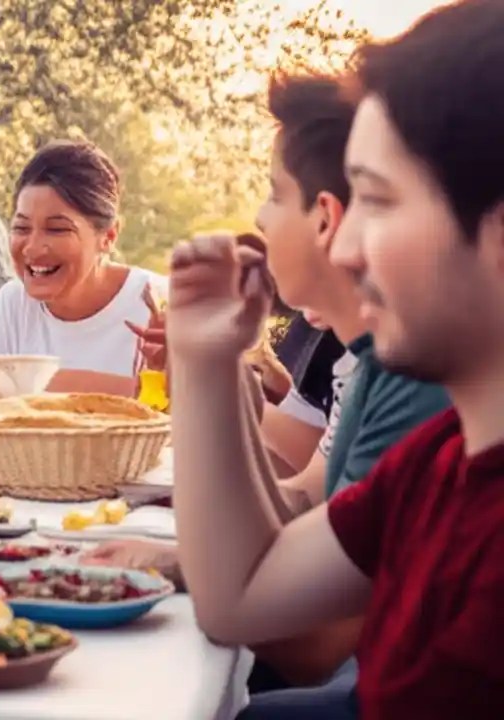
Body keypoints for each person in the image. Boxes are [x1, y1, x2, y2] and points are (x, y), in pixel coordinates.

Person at [169, 2, 504, 716]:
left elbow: (301, 637)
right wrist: (205, 359)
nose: (346, 250)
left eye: (378, 202)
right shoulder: (438, 462)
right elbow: (242, 600)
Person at [88, 71, 449, 709]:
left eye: (273, 193)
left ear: (327, 219)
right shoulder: (372, 365)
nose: (256, 218)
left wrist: (209, 369)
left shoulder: (416, 381)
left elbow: (303, 641)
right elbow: (300, 508)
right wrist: (219, 367)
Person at [0, 140, 168, 403]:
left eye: (57, 229)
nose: (33, 248)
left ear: (108, 236)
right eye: (21, 228)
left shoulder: (163, 304)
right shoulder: (13, 303)